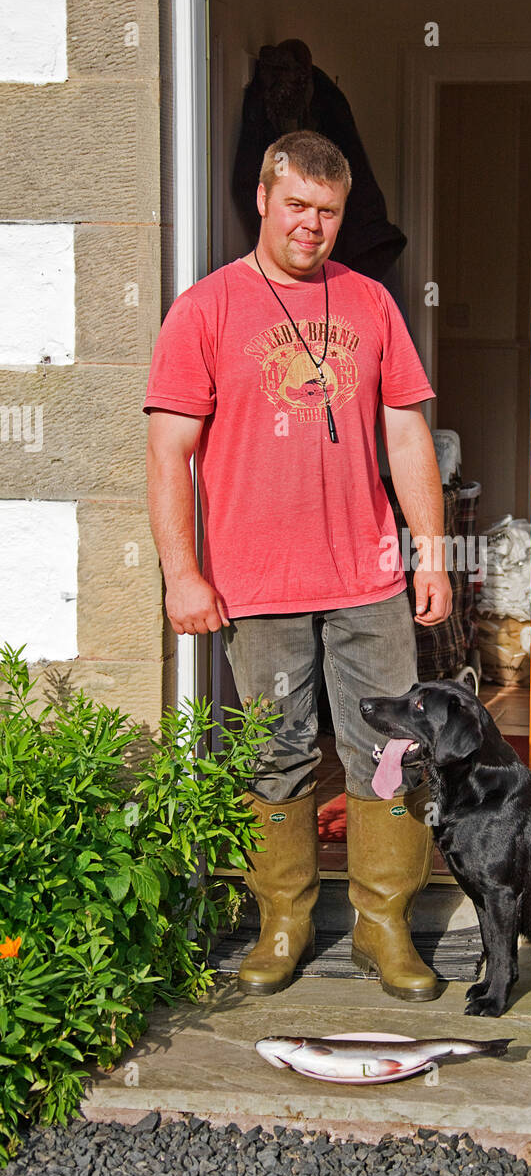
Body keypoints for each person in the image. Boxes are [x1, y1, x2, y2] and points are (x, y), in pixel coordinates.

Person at [143, 130, 452, 1003]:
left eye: (328, 211)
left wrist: (429, 552)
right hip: (257, 584)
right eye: (297, 207)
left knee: (390, 752)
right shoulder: (204, 310)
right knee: (273, 758)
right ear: (263, 200)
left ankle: (382, 926)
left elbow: (405, 431)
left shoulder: (371, 303)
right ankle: (283, 921)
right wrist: (182, 572)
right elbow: (170, 454)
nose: (312, 226)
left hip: (369, 580)